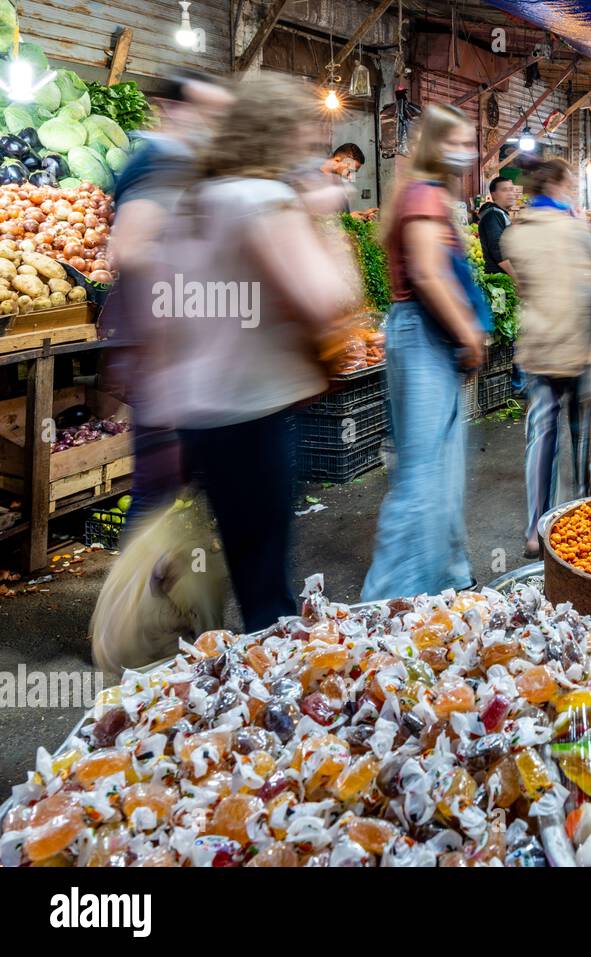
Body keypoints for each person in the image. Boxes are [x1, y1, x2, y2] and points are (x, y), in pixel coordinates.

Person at [154, 74, 361, 630]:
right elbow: (325, 299)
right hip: (253, 412)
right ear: (277, 131)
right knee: (266, 593)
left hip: (199, 412)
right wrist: (327, 226)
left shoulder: (194, 200)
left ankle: (219, 682)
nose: (306, 142)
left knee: (244, 566)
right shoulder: (261, 200)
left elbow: (166, 313)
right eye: (299, 128)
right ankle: (272, 703)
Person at [363, 105, 491, 600]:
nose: (469, 152)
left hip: (427, 335)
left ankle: (450, 576)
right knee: (420, 472)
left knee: (442, 465)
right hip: (422, 333)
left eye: (470, 142)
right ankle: (386, 602)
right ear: (436, 145)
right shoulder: (420, 196)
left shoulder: (431, 196)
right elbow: (428, 274)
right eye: (458, 142)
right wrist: (468, 335)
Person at [105, 70, 233, 540]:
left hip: (197, 367)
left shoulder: (192, 168)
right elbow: (130, 251)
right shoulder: (154, 164)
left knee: (182, 490)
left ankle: (174, 603)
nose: (211, 123)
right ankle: (133, 610)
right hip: (165, 367)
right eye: (204, 111)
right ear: (170, 108)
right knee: (156, 492)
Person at [503, 159, 591, 558]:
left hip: (537, 346)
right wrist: (585, 224)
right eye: (569, 185)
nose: (573, 191)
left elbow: (523, 282)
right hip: (579, 347)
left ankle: (535, 530)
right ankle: (580, 514)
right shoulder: (575, 231)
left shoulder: (515, 234)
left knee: (541, 436)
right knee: (583, 437)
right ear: (556, 186)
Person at [478, 174, 517, 277]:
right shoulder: (493, 215)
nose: (510, 193)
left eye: (511, 189)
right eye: (505, 190)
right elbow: (497, 249)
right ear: (493, 194)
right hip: (498, 278)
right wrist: (516, 277)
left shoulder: (501, 213)